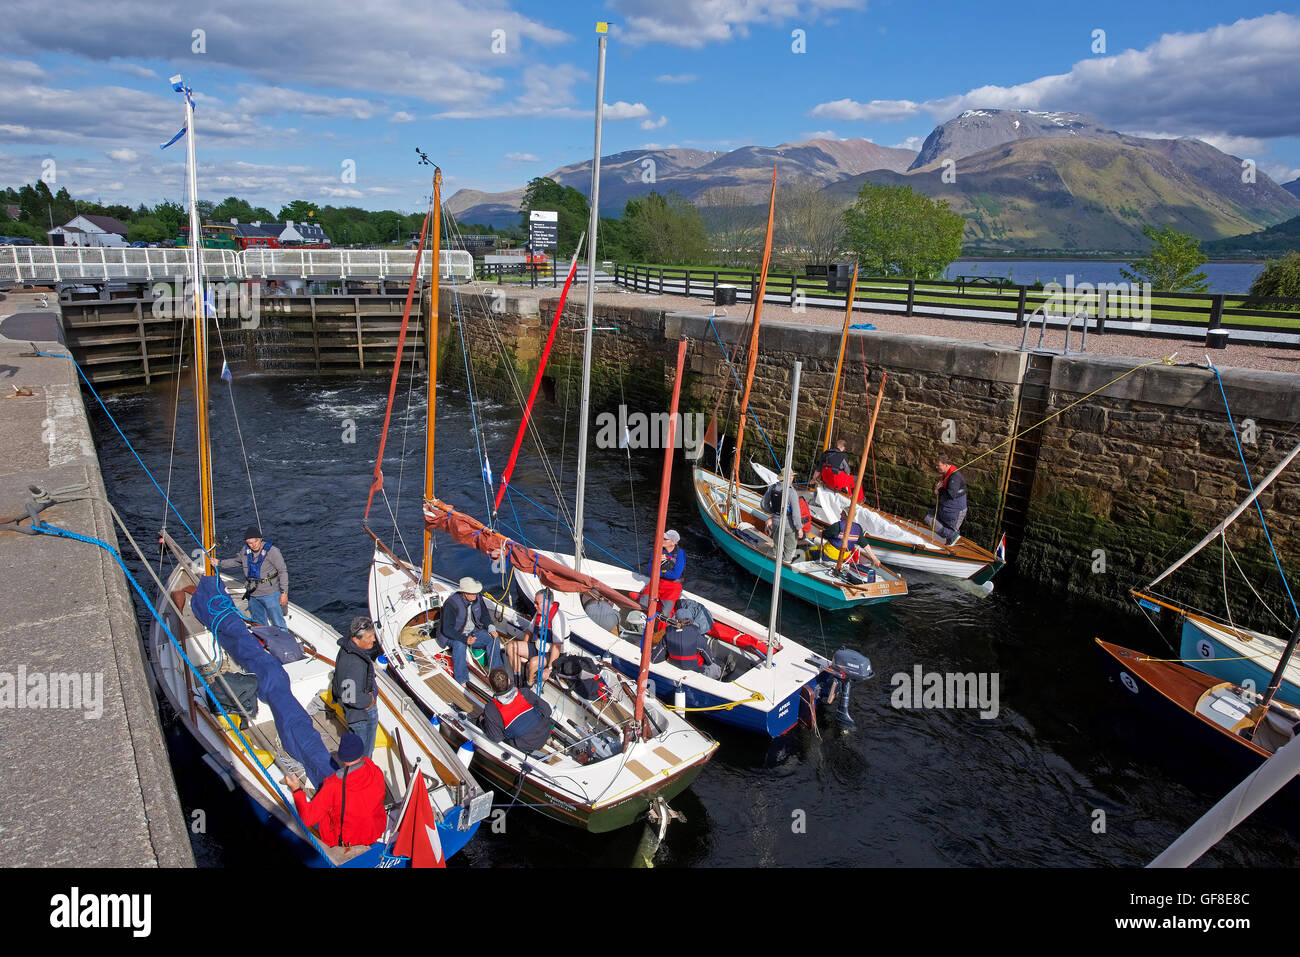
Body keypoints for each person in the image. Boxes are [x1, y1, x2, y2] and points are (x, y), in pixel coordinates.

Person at [285, 731, 387, 849]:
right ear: (361, 752)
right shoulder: (375, 770)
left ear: (342, 757)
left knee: (317, 811)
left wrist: (296, 790)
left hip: (346, 841)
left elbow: (307, 819)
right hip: (374, 831)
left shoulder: (333, 785)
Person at [437, 577, 504, 684]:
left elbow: (484, 615)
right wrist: (465, 639)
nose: (475, 595)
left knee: (493, 639)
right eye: (472, 593)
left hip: (473, 632)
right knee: (459, 645)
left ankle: (497, 673)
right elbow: (447, 629)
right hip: (454, 635)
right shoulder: (451, 603)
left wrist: (491, 627)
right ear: (464, 593)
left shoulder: (478, 598)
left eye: (476, 592)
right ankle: (462, 680)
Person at [220, 527, 289, 628]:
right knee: (258, 623)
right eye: (249, 543)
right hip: (253, 595)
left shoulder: (273, 551)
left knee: (278, 623)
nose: (253, 545)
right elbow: (236, 561)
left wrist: (284, 593)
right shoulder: (245, 551)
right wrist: (219, 563)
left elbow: (283, 571)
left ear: (260, 539)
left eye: (255, 541)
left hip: (270, 594)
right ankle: (264, 641)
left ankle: (284, 642)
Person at [332, 616, 381, 758]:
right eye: (370, 636)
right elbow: (349, 697)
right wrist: (369, 701)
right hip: (362, 715)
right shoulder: (352, 664)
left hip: (360, 710)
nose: (373, 639)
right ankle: (364, 774)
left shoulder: (348, 649)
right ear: (356, 639)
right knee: (365, 750)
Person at [480, 667, 553, 754]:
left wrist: (482, 723)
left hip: (526, 746)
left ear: (491, 687)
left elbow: (496, 738)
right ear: (509, 681)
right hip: (544, 733)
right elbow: (547, 710)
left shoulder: (491, 709)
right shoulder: (525, 692)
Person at [508, 588, 568, 685]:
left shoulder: (557, 619)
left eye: (537, 603)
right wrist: (524, 645)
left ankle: (529, 684)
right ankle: (518, 679)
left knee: (533, 663)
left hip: (552, 654)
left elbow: (557, 647)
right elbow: (529, 631)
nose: (534, 605)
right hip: (538, 647)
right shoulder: (539, 614)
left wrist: (549, 669)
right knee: (511, 647)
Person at [632, 530, 686, 617]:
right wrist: (657, 563)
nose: (662, 540)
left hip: (673, 585)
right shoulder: (658, 550)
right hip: (658, 582)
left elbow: (675, 575)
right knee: (643, 601)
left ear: (673, 542)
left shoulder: (680, 553)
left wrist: (660, 572)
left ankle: (662, 628)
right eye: (663, 538)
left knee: (666, 612)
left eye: (666, 539)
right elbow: (650, 570)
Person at [925, 455, 968, 545]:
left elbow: (951, 494)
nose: (936, 467)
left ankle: (952, 536)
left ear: (946, 464)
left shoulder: (954, 476)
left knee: (934, 521)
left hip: (955, 509)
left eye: (938, 465)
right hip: (946, 507)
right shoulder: (947, 474)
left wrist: (938, 490)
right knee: (929, 518)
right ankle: (951, 538)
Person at [764, 485, 811, 564]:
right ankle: (783, 561)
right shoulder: (791, 495)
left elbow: (764, 505)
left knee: (781, 547)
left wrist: (773, 516)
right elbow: (793, 515)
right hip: (790, 528)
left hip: (795, 529)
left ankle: (779, 561)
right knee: (787, 550)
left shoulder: (773, 488)